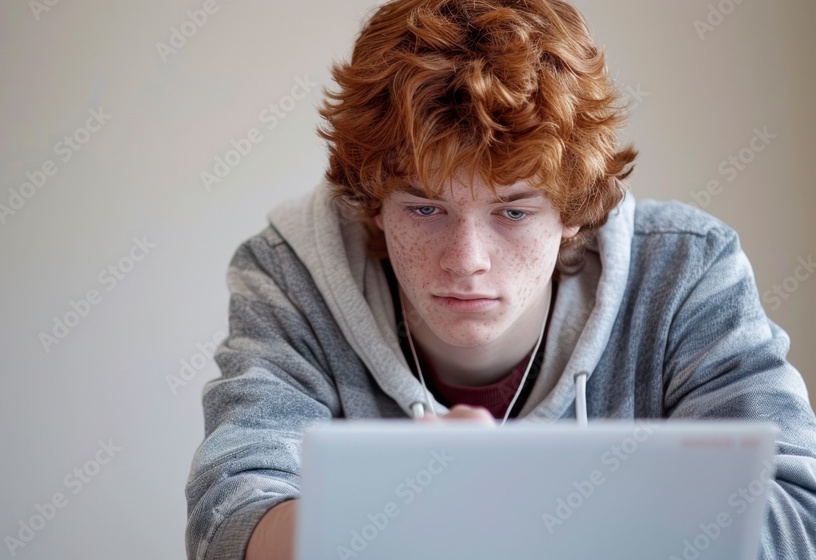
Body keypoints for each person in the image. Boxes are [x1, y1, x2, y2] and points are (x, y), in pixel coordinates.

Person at [184, 0, 816, 558]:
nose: (466, 260)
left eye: (513, 212)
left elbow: (798, 516)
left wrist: (520, 498)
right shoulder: (291, 274)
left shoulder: (685, 274)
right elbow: (228, 517)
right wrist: (407, 516)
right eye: (425, 208)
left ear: (573, 211)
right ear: (374, 203)